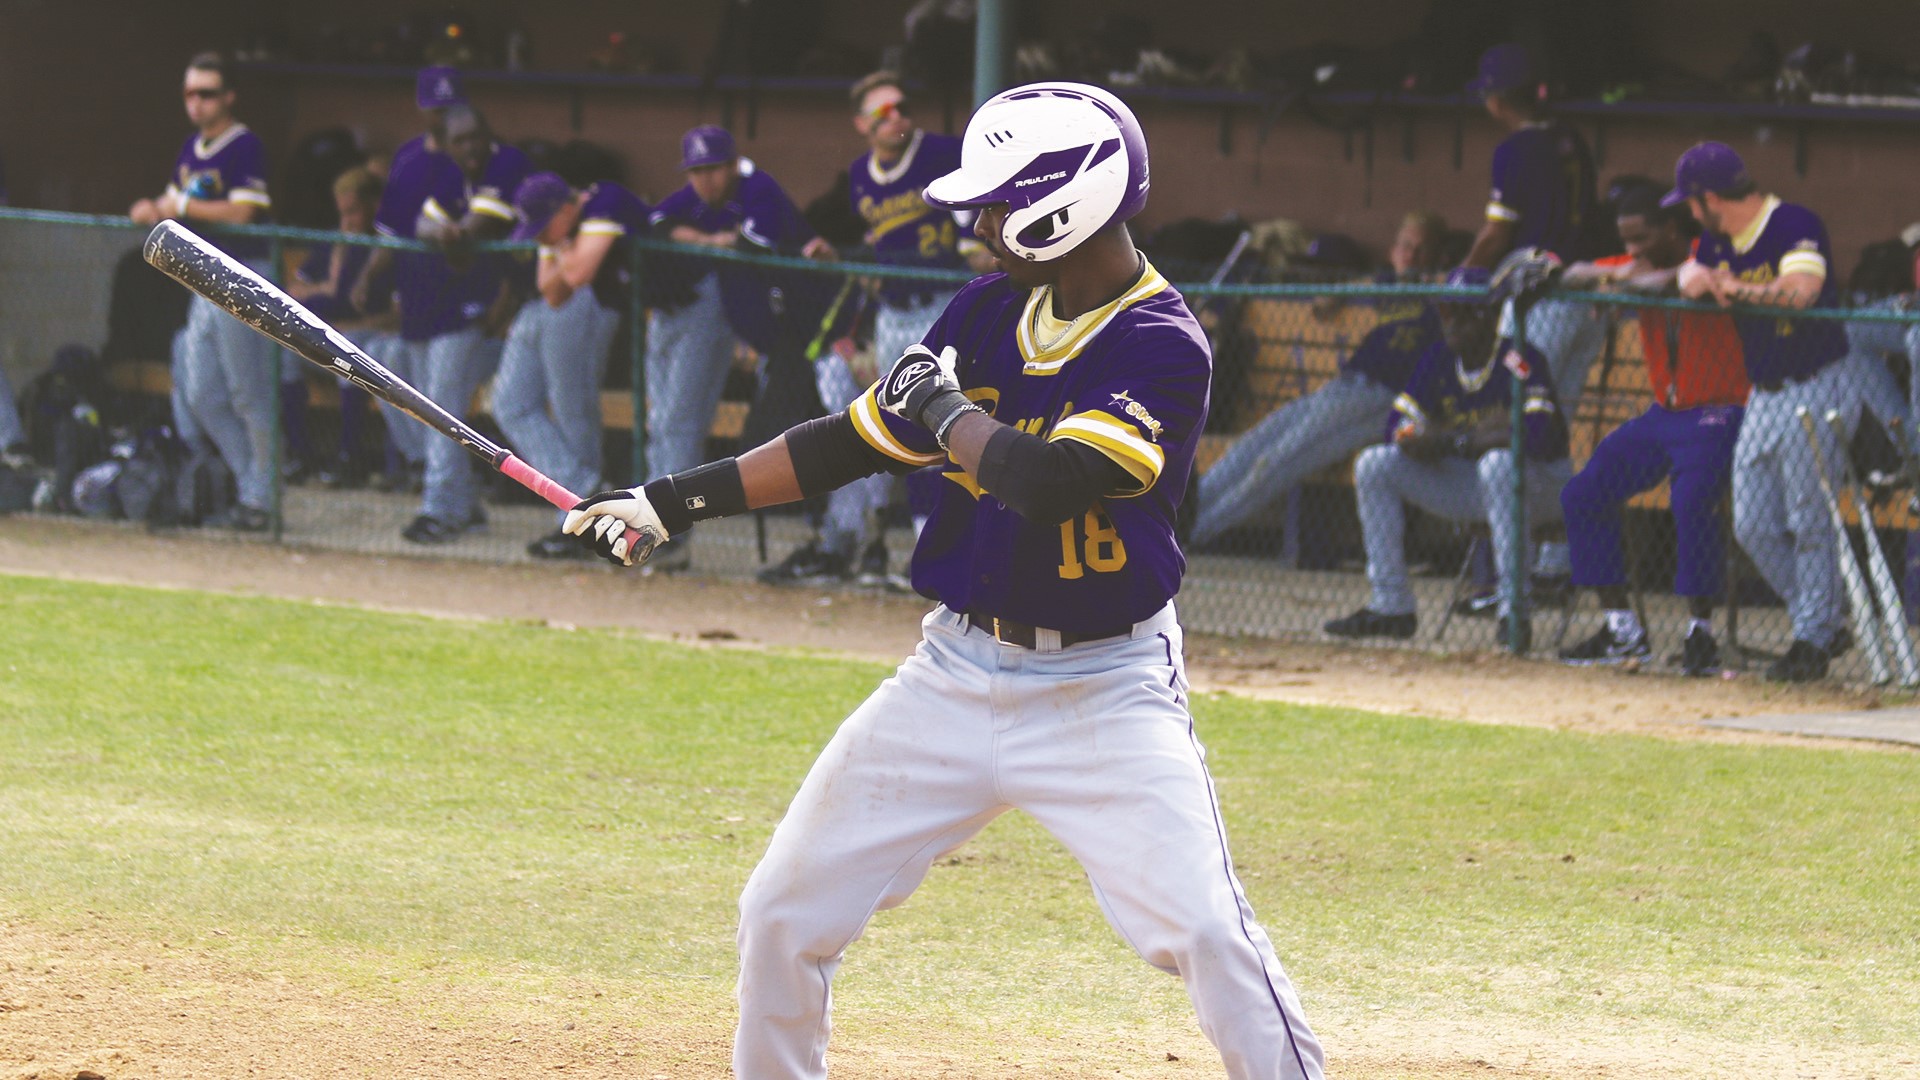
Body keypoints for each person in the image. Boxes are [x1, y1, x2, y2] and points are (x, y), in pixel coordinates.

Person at [561, 81, 1325, 1080]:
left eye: (1003, 204)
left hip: (1106, 690)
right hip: (955, 673)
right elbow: (846, 442)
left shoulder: (1162, 342)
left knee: (1210, 935)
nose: (981, 224)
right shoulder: (988, 308)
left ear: (1070, 205)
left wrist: (947, 408)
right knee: (782, 912)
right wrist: (669, 503)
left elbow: (1048, 481)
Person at [1672, 141, 1908, 681]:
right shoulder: (1717, 236)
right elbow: (1688, 273)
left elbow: (1803, 290)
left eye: (1691, 202)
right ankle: (1821, 620)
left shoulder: (1793, 222)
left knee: (1807, 518)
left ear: (1712, 197)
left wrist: (1737, 290)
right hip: (1766, 391)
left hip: (1820, 381)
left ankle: (1811, 641)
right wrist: (1701, 279)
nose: (1690, 213)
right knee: (1752, 523)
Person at [757, 70, 989, 587]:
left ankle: (937, 550)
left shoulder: (941, 154)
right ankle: (878, 543)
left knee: (938, 425)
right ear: (862, 124)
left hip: (942, 302)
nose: (899, 119)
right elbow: (880, 242)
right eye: (885, 112)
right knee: (894, 427)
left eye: (904, 107)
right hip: (891, 312)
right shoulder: (861, 175)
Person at [1554, 183, 1749, 674]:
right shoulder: (1634, 265)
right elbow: (1576, 274)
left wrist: (1627, 280)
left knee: (1690, 499)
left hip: (1721, 409)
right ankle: (1623, 630)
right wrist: (1579, 272)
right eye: (1627, 240)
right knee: (1583, 493)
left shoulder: (1714, 254)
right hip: (1664, 413)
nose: (1633, 249)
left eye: (1641, 238)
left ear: (1670, 227)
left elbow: (1672, 284)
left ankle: (1699, 633)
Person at [1324, 266, 1573, 642]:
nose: (1451, 322)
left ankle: (1513, 611)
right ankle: (1391, 606)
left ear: (1488, 315)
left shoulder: (1517, 358)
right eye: (1446, 312)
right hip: (1476, 478)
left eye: (1462, 312)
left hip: (1541, 487)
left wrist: (1443, 438)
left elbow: (1539, 437)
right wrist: (1467, 438)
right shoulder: (1438, 358)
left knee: (1499, 463)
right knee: (1375, 464)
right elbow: (1398, 429)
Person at [1189, 211, 1450, 549]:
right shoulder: (1389, 285)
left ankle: (1189, 540)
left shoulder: (1446, 293)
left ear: (1437, 257)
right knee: (1251, 445)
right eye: (1405, 247)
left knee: (1274, 463)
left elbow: (1466, 285)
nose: (1411, 257)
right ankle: (1177, 524)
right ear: (1392, 251)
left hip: (1387, 400)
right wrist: (1337, 294)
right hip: (1345, 387)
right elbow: (1355, 286)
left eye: (1421, 250)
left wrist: (1438, 277)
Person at [643, 125, 833, 573]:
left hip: (813, 330)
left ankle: (829, 542)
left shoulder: (759, 188)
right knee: (664, 421)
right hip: (772, 339)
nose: (705, 180)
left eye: (713, 169)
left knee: (813, 433)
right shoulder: (697, 201)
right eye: (697, 171)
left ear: (732, 166)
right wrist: (711, 241)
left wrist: (714, 242)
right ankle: (660, 527)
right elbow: (657, 224)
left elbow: (752, 243)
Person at [129, 51, 275, 531]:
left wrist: (183, 204)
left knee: (249, 394)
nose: (196, 102)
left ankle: (264, 499)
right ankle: (252, 485)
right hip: (203, 282)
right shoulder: (192, 148)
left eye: (207, 93)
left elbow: (242, 212)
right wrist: (153, 208)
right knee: (201, 393)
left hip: (244, 275)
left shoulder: (244, 145)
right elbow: (176, 208)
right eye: (190, 93)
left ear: (228, 96)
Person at [394, 104, 530, 544]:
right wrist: (444, 233)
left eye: (476, 137)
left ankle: (442, 507)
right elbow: (422, 224)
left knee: (444, 406)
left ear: (488, 132)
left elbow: (470, 229)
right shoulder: (455, 176)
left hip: (524, 310)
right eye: (460, 141)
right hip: (485, 317)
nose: (470, 147)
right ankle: (460, 503)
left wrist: (450, 233)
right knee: (426, 398)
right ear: (449, 145)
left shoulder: (506, 162)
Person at [499, 172, 647, 559]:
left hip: (598, 309)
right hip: (564, 310)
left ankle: (588, 519)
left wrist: (563, 249)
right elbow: (552, 291)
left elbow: (578, 276)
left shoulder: (603, 200)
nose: (537, 237)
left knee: (573, 411)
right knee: (509, 404)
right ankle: (588, 493)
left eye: (542, 226)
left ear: (565, 209)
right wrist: (564, 245)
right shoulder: (563, 231)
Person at [1460, 42, 1607, 411]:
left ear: (1497, 100)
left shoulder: (1515, 149)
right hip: (1587, 299)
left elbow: (1496, 235)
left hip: (1540, 301)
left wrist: (1463, 275)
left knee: (1517, 408)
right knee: (1556, 417)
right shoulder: (1571, 138)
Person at [354, 66, 471, 494]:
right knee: (402, 391)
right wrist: (369, 274)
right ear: (422, 108)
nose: (442, 116)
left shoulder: (475, 157)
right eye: (436, 107)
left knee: (441, 408)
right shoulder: (408, 159)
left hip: (462, 307)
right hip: (418, 302)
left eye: (451, 106)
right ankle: (446, 487)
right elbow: (390, 231)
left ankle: (441, 504)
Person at [284, 166, 400, 488]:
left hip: (367, 337)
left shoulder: (386, 249)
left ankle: (351, 456)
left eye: (354, 212)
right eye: (342, 212)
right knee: (284, 354)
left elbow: (397, 316)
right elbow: (294, 290)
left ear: (373, 206)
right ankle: (300, 452)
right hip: (326, 335)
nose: (347, 220)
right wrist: (330, 283)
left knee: (350, 347)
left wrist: (348, 325)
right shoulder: (335, 243)